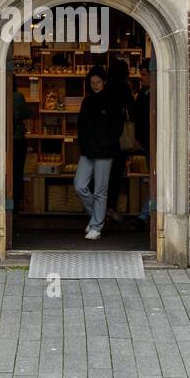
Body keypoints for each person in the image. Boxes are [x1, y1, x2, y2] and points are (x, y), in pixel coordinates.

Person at [74, 65, 122, 240]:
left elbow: (117, 128)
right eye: (92, 82)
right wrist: (84, 143)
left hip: (105, 152)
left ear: (104, 82)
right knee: (79, 185)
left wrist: (106, 144)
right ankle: (97, 217)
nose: (95, 85)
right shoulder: (87, 101)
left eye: (98, 82)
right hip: (87, 151)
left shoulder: (112, 101)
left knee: (101, 190)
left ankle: (96, 226)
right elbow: (80, 126)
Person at [104, 57, 134, 223]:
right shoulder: (124, 86)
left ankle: (100, 209)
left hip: (105, 137)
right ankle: (111, 208)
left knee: (103, 175)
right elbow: (131, 110)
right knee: (115, 175)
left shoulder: (106, 86)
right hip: (120, 136)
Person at [131, 67, 152, 225]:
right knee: (155, 179)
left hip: (154, 143)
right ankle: (145, 215)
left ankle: (145, 215)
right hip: (148, 143)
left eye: (144, 75)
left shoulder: (150, 94)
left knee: (155, 179)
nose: (141, 78)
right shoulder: (143, 94)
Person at [12, 83, 34, 212]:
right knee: (18, 172)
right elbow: (28, 113)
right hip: (17, 140)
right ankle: (15, 205)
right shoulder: (18, 97)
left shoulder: (1, 94)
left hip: (2, 140)